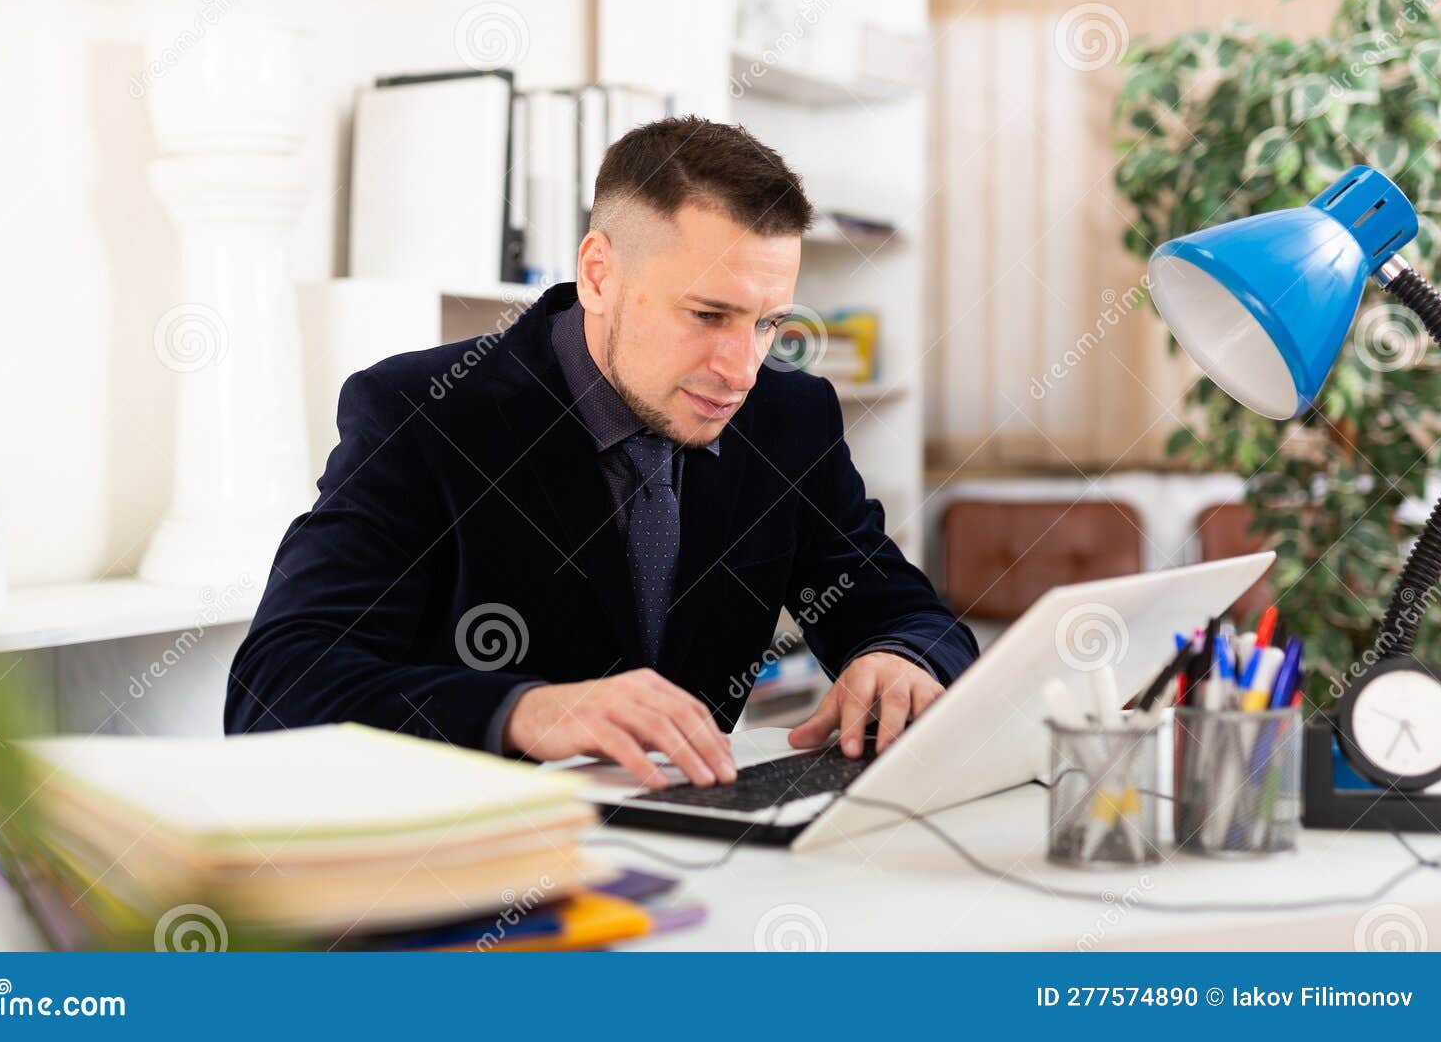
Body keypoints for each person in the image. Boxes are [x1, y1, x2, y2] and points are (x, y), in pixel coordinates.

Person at [226, 116, 978, 789]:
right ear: (598, 273)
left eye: (768, 323)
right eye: (709, 315)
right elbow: (275, 685)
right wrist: (525, 711)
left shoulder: (791, 416)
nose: (742, 368)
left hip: (694, 850)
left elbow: (907, 611)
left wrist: (903, 657)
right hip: (469, 861)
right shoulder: (423, 413)